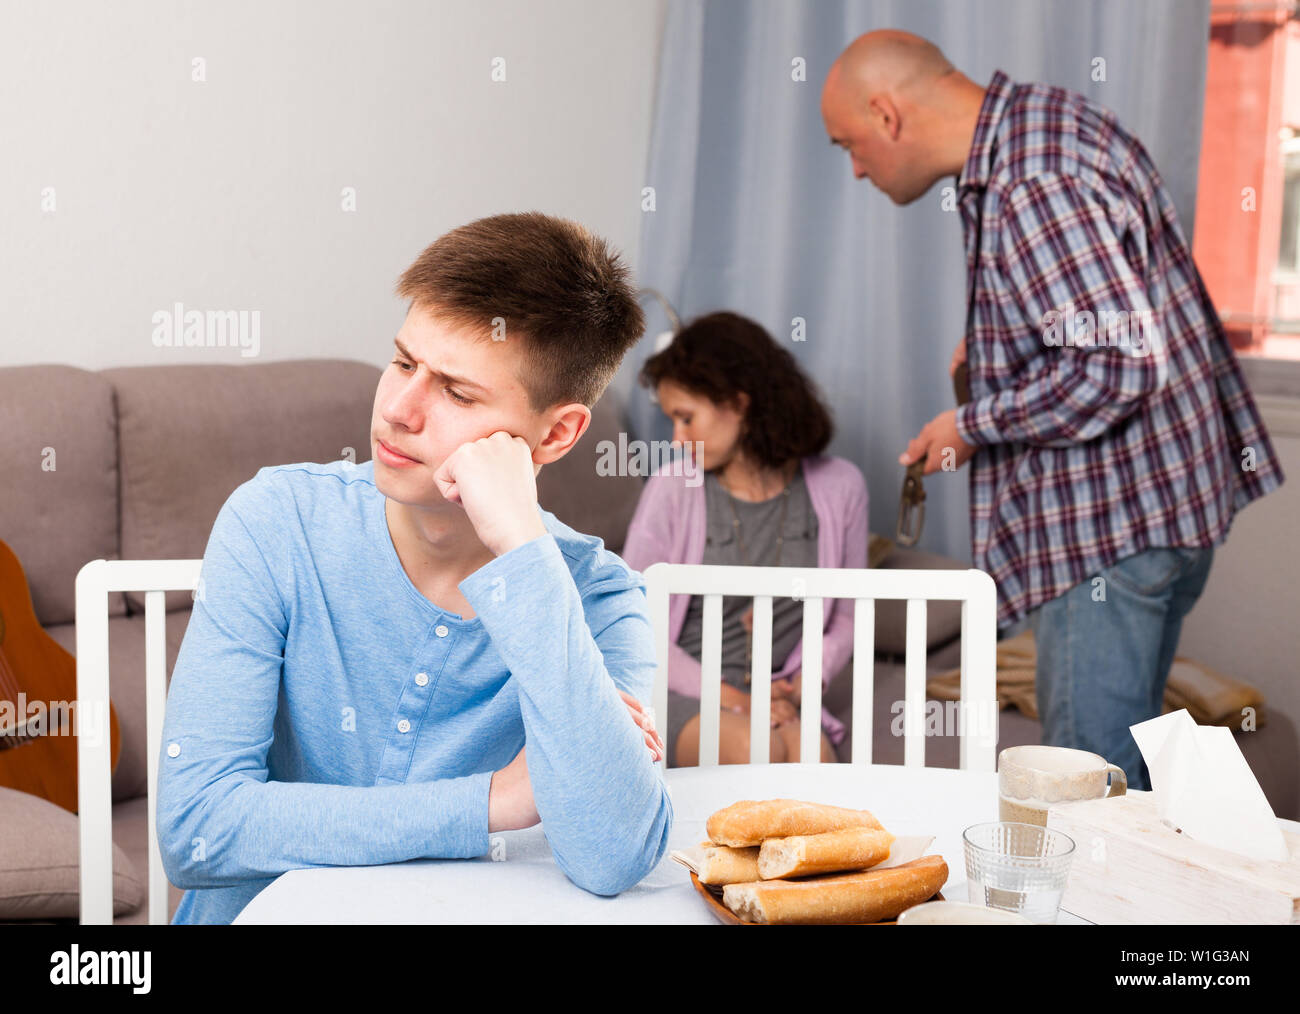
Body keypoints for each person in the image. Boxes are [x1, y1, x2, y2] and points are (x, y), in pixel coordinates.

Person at [155, 212, 672, 923]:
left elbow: (614, 853)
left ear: (555, 435)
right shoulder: (275, 520)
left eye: (457, 394)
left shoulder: (600, 596)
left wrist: (523, 547)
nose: (397, 410)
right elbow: (198, 831)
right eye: (402, 362)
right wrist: (493, 800)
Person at [820, 31, 1284, 789]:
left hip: (1110, 531)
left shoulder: (1028, 179)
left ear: (887, 113)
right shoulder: (1053, 126)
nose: (857, 168)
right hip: (1165, 508)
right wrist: (998, 353)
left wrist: (970, 423)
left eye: (851, 144)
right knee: (1126, 779)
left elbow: (1118, 364)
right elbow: (1120, 315)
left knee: (1083, 791)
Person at [622, 311, 868, 767]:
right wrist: (737, 699)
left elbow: (848, 618)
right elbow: (632, 621)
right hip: (685, 690)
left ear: (738, 404)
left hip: (780, 696)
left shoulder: (841, 486)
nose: (676, 439)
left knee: (812, 757)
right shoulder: (674, 485)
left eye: (685, 418)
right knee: (758, 749)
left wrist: (801, 685)